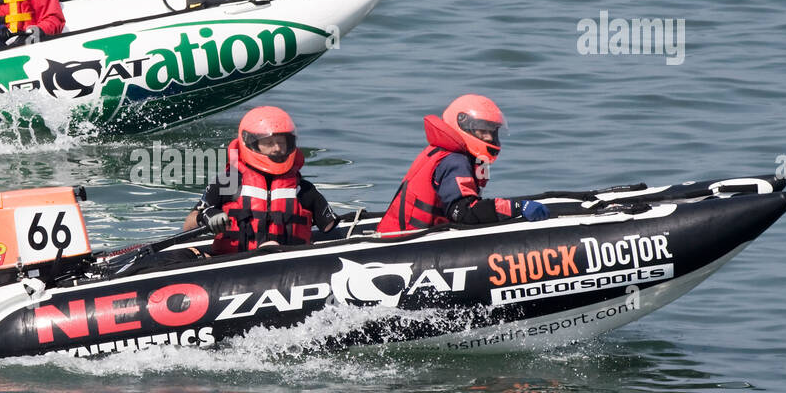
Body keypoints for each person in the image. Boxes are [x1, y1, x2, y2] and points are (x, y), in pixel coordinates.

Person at [377, 94, 549, 233]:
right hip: (407, 243)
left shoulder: (444, 152)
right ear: (463, 126)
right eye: (483, 131)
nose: (489, 138)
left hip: (408, 234)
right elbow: (463, 212)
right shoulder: (455, 161)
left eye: (493, 131)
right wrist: (517, 208)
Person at [184, 106, 340, 253]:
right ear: (251, 144)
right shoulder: (227, 182)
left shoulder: (303, 189)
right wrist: (204, 216)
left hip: (290, 264)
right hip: (232, 266)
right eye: (269, 143)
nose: (277, 148)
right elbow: (188, 226)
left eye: (281, 142)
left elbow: (331, 228)